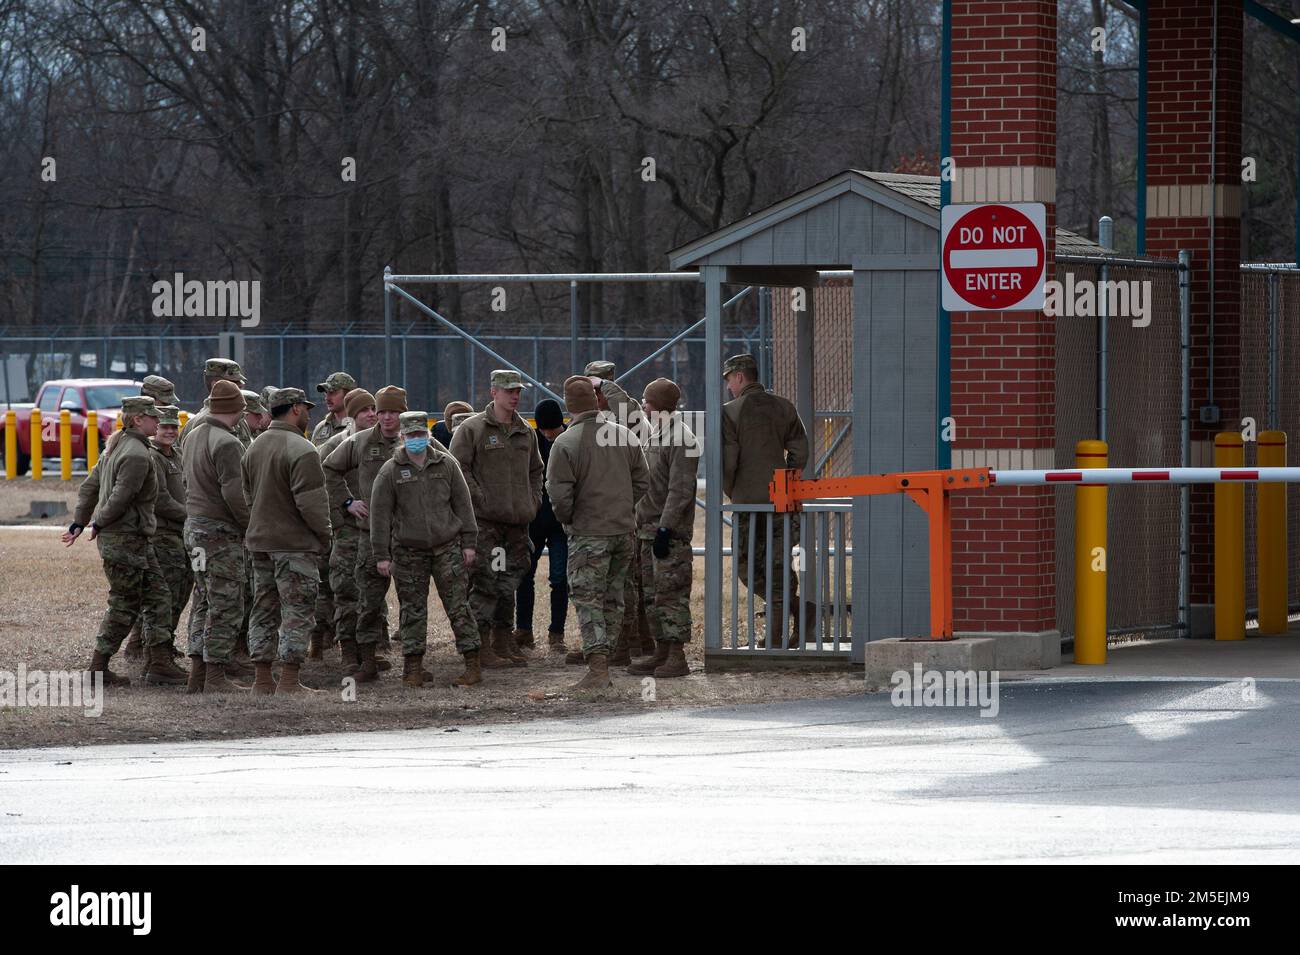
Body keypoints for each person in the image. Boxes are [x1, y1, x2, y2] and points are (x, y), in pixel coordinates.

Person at [545, 376, 648, 690]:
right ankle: (607, 660)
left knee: (588, 601)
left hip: (589, 534)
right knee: (614, 598)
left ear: (569, 405)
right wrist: (622, 508)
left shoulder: (565, 443)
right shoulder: (623, 436)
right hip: (623, 531)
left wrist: (571, 521)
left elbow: (559, 497)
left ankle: (598, 669)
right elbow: (643, 481)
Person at [63, 396, 171, 688]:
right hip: (126, 539)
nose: (158, 422)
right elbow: (120, 497)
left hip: (134, 539)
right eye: (153, 417)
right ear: (138, 419)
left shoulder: (117, 445)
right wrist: (94, 523)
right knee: (125, 604)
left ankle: (161, 662)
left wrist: (78, 522)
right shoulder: (135, 453)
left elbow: (90, 486)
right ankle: (98, 667)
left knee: (160, 597)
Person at [370, 411, 482, 687]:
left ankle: (472, 665)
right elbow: (380, 515)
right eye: (411, 436)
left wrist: (469, 543)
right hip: (409, 551)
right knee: (412, 610)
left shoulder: (446, 465)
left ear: (428, 434)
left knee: (458, 606)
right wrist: (381, 555)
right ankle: (413, 669)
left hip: (447, 547)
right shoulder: (390, 471)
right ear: (402, 437)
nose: (416, 440)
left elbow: (463, 505)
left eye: (421, 434)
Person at [449, 370, 544, 668]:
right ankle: (481, 646)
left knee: (508, 582)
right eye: (508, 391)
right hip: (486, 524)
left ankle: (503, 640)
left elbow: (535, 471)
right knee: (486, 582)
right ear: (493, 392)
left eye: (517, 390)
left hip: (517, 523)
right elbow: (457, 470)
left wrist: (533, 500)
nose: (514, 395)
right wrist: (479, 499)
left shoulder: (525, 431)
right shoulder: (473, 429)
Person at [242, 387, 332, 695]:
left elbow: (247, 496)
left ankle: (262, 678)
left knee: (263, 609)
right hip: (294, 546)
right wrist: (324, 535)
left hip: (260, 543)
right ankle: (290, 679)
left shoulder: (255, 447)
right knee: (297, 610)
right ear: (294, 409)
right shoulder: (303, 449)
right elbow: (312, 504)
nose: (309, 413)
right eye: (306, 408)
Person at [721, 353, 811, 647]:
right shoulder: (784, 407)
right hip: (782, 502)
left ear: (739, 377)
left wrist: (734, 490)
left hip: (748, 503)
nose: (728, 387)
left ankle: (775, 634)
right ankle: (798, 610)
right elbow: (800, 450)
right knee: (779, 565)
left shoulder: (731, 412)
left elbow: (728, 461)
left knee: (746, 566)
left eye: (729, 381)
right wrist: (787, 481)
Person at [322, 385, 409, 680]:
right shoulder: (353, 443)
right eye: (371, 410)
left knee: (410, 597)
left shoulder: (414, 440)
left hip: (405, 533)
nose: (377, 416)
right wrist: (347, 503)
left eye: (384, 410)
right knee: (355, 596)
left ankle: (408, 661)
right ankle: (353, 656)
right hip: (362, 533)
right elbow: (327, 470)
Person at [180, 380, 251, 693]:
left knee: (203, 599)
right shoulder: (228, 443)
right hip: (219, 534)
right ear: (236, 409)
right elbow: (235, 494)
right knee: (225, 603)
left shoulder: (193, 435)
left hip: (194, 529)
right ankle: (215, 677)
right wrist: (251, 526)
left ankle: (197, 672)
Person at [585, 359, 653, 660]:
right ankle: (627, 641)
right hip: (604, 509)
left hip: (628, 511)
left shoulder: (628, 413)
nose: (593, 393)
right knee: (616, 582)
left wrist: (608, 389)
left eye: (597, 385)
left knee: (628, 581)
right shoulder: (595, 416)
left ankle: (629, 642)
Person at [628, 379, 697, 678]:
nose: (643, 406)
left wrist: (666, 530)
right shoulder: (657, 433)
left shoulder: (682, 438)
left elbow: (680, 490)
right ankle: (661, 650)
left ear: (658, 404)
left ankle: (676, 656)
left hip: (667, 532)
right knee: (652, 594)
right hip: (646, 527)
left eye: (646, 401)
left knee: (671, 594)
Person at [313, 388, 377, 663]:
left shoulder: (383, 443)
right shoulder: (335, 446)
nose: (371, 414)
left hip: (377, 531)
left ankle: (371, 650)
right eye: (365, 410)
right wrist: (346, 506)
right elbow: (320, 484)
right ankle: (347, 652)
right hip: (347, 532)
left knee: (372, 592)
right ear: (352, 415)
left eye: (373, 409)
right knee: (345, 591)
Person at [514, 398, 568, 653]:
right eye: (544, 430)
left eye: (552, 430)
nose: (548, 435)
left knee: (559, 578)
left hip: (561, 523)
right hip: (534, 520)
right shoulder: (532, 440)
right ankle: (523, 630)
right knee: (524, 575)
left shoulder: (568, 440)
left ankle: (556, 633)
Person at [176, 358, 251, 451]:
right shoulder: (204, 422)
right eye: (234, 383)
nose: (240, 386)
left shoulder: (238, 417)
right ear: (215, 385)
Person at [312, 371, 357, 446]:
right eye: (326, 393)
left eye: (332, 392)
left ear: (348, 395)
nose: (327, 398)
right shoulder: (321, 428)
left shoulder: (360, 424)